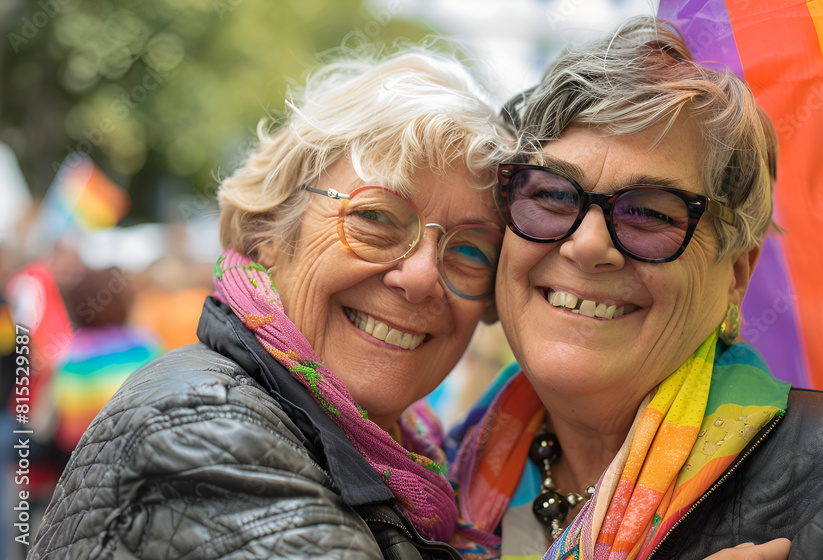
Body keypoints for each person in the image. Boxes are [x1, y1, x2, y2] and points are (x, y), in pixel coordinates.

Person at [448, 16, 823, 560]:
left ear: (736, 275)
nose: (586, 245)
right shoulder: (452, 462)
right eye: (554, 195)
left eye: (649, 212)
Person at [29, 47, 516, 559]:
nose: (421, 277)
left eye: (467, 250)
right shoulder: (210, 434)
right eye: (375, 218)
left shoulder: (415, 453)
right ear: (269, 231)